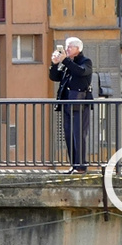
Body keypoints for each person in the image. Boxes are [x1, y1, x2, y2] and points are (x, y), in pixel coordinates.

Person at [50, 36, 94, 173]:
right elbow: (55, 77)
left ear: (78, 49)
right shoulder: (67, 62)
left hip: (80, 103)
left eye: (69, 47)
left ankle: (81, 166)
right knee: (69, 134)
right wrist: (55, 64)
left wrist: (66, 61)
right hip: (67, 103)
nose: (67, 49)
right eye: (66, 46)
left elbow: (81, 71)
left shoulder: (85, 61)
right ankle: (74, 165)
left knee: (79, 134)